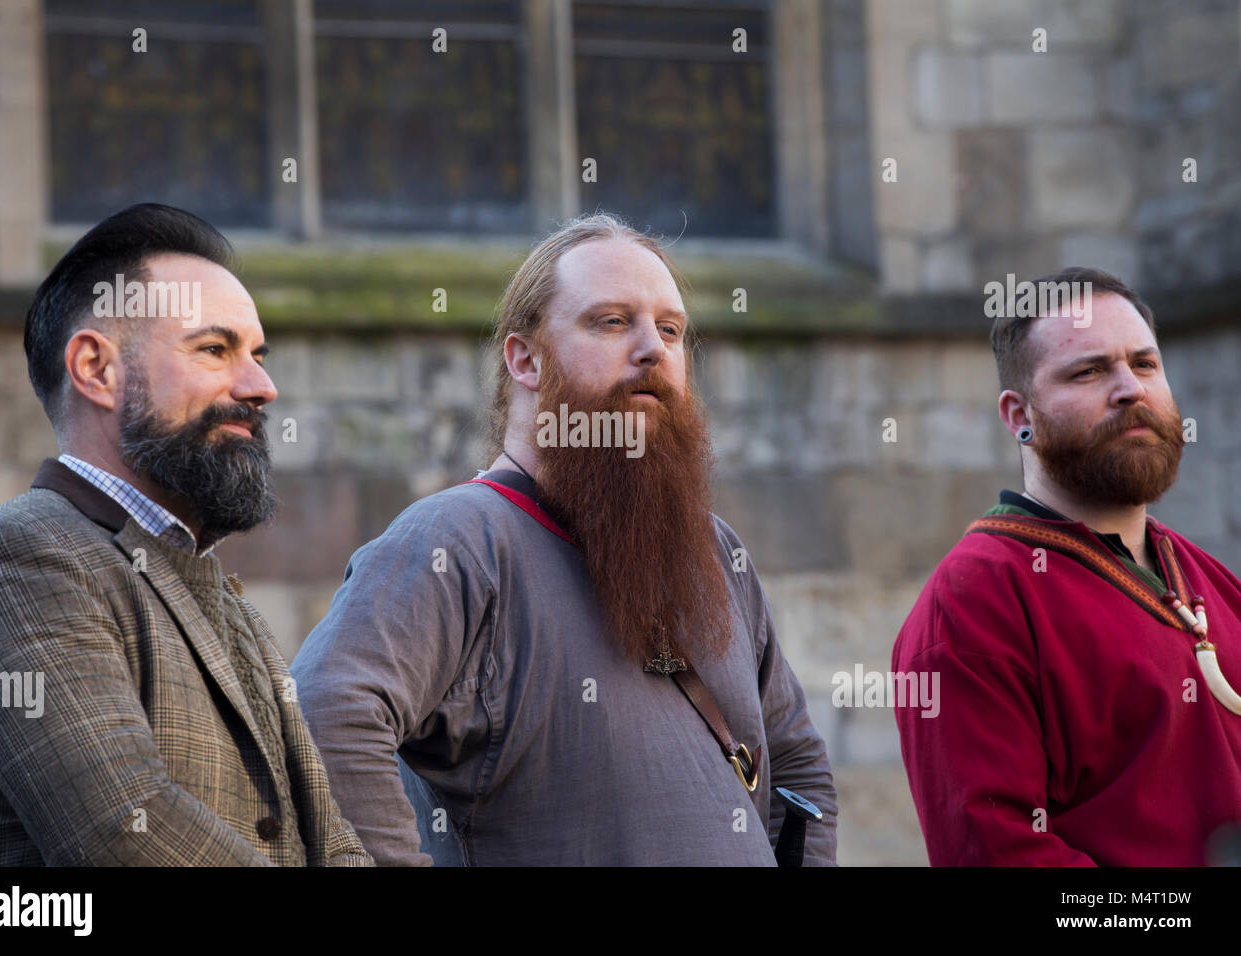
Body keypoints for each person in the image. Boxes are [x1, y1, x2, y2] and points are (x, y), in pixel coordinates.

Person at [292, 213, 838, 866]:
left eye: (671, 330)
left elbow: (797, 766)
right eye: (611, 322)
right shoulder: (455, 541)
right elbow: (326, 709)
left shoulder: (717, 553)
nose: (652, 350)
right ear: (525, 359)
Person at [0, 203, 371, 866]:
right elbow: (126, 833)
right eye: (215, 349)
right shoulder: (17, 558)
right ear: (97, 369)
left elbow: (332, 840)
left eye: (257, 355)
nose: (263, 386)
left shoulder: (226, 602)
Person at [893, 267, 1241, 865]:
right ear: (1017, 415)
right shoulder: (973, 602)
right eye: (1089, 370)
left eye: (1145, 364)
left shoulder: (1212, 580)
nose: (1130, 388)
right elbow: (996, 852)